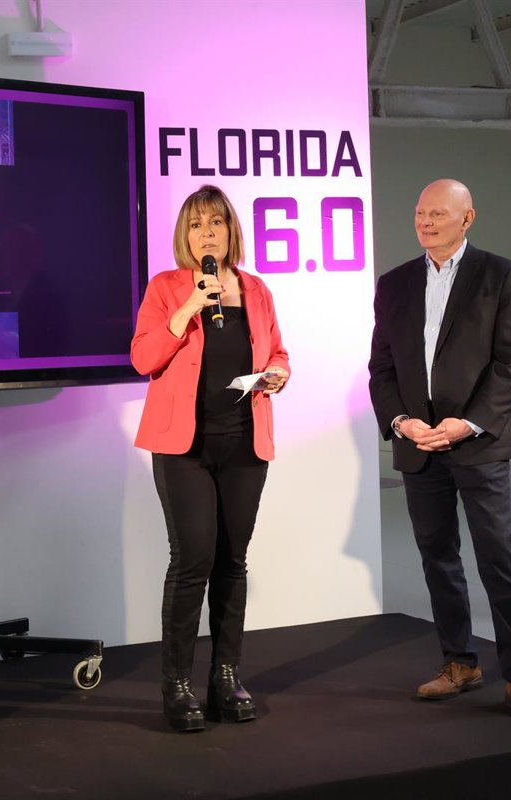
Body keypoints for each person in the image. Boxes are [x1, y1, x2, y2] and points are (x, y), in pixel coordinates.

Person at [368, 178, 511, 721]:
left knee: (498, 557)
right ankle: (459, 662)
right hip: (418, 445)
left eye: (438, 214)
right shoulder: (395, 282)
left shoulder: (501, 276)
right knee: (438, 558)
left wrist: (466, 423)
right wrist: (402, 422)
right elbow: (381, 368)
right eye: (420, 212)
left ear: (467, 219)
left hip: (476, 442)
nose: (425, 222)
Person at [131, 184, 290, 732]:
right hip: (184, 449)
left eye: (216, 224)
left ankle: (225, 677)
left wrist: (278, 374)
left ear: (230, 232)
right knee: (192, 559)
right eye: (197, 225)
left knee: (232, 560)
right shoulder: (167, 287)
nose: (208, 234)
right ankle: (177, 685)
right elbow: (143, 358)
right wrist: (189, 308)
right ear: (186, 235)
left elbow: (278, 352)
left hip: (244, 444)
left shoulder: (256, 289)